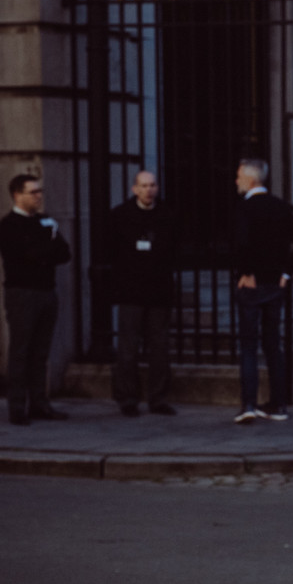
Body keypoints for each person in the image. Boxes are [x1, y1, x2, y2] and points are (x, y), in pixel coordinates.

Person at [232, 158, 293, 424]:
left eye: (239, 176)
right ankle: (279, 404)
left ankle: (249, 404)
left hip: (252, 285)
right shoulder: (280, 206)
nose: (236, 181)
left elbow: (242, 244)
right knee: (273, 344)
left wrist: (246, 272)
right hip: (275, 284)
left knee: (249, 345)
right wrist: (286, 273)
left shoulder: (245, 208)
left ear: (251, 180)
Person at [0, 174, 72, 425]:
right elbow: (27, 257)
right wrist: (45, 248)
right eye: (33, 192)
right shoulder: (9, 225)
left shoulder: (44, 221)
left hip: (46, 291)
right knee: (21, 351)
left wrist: (44, 249)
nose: (38, 196)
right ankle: (17, 406)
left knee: (40, 352)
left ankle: (40, 403)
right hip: (22, 293)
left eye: (39, 191)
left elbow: (64, 252)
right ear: (18, 195)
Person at [108, 170, 179, 417]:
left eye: (153, 185)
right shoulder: (121, 215)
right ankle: (127, 398)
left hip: (159, 290)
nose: (149, 190)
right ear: (134, 189)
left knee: (159, 348)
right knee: (128, 348)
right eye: (144, 185)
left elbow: (175, 250)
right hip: (131, 291)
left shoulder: (168, 215)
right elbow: (112, 252)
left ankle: (158, 398)